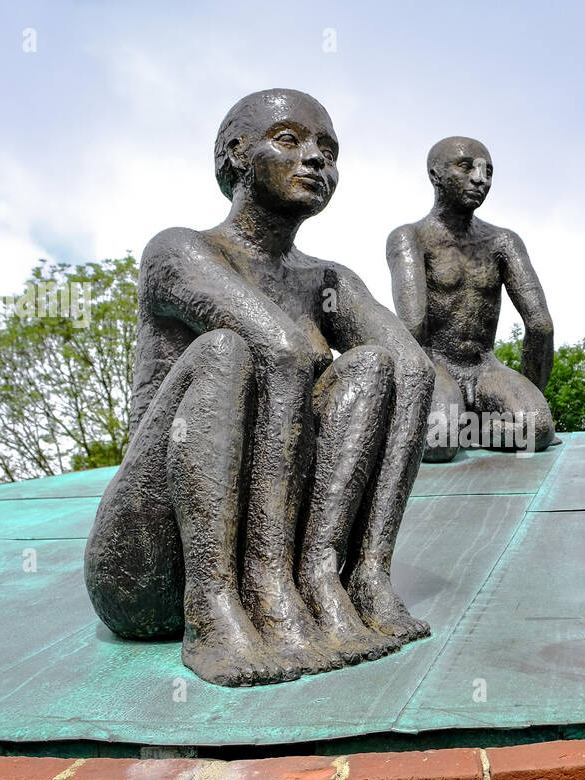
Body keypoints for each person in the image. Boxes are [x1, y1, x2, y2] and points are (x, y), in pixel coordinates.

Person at [84, 90, 434, 687]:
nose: (317, 159)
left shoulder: (327, 279)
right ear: (234, 155)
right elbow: (282, 348)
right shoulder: (178, 249)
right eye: (291, 139)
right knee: (229, 351)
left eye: (329, 149)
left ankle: (335, 577)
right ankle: (220, 605)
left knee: (378, 368)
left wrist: (368, 564)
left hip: (270, 546)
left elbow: (413, 369)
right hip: (146, 561)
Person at [387, 136, 557, 462]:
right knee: (438, 441)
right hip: (436, 364)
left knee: (535, 426)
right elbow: (411, 328)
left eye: (487, 170)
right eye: (466, 167)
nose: (480, 178)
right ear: (435, 175)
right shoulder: (410, 238)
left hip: (485, 367)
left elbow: (540, 326)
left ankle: (470, 428)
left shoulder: (503, 242)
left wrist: (530, 397)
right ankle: (461, 426)